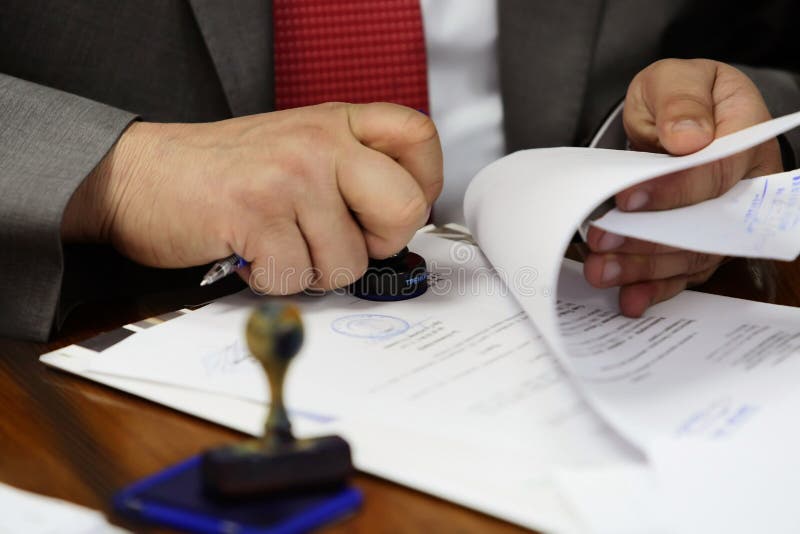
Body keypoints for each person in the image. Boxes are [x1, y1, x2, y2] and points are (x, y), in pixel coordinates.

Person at [1, 0, 799, 341]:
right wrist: (122, 172)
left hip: (589, 314)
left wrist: (732, 138)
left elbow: (772, 44)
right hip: (105, 321)